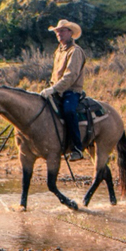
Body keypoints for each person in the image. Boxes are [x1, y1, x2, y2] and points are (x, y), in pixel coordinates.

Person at [40, 19, 86, 161]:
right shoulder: (58, 51)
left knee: (69, 111)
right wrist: (50, 88)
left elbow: (71, 75)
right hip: (56, 89)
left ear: (70, 33)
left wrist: (54, 89)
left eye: (62, 31)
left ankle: (77, 148)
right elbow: (56, 74)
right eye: (57, 31)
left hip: (71, 91)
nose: (59, 33)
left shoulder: (75, 51)